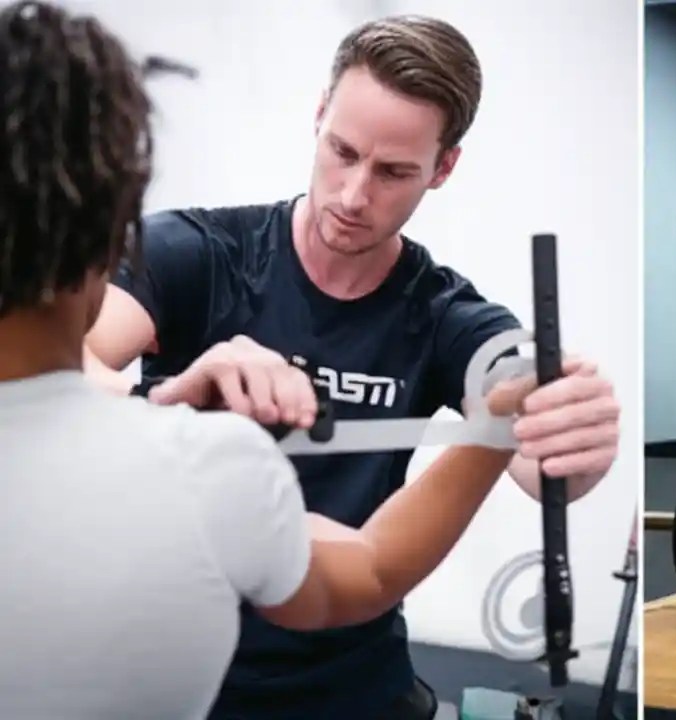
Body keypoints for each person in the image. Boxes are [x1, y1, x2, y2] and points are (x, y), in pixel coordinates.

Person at [72, 10, 620, 720]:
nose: (355, 195)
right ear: (320, 115)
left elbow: (525, 417)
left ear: (443, 168)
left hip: (353, 686)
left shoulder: (445, 316)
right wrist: (167, 400)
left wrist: (569, 432)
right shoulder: (199, 253)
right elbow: (56, 371)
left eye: (393, 172)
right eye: (343, 151)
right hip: (179, 680)